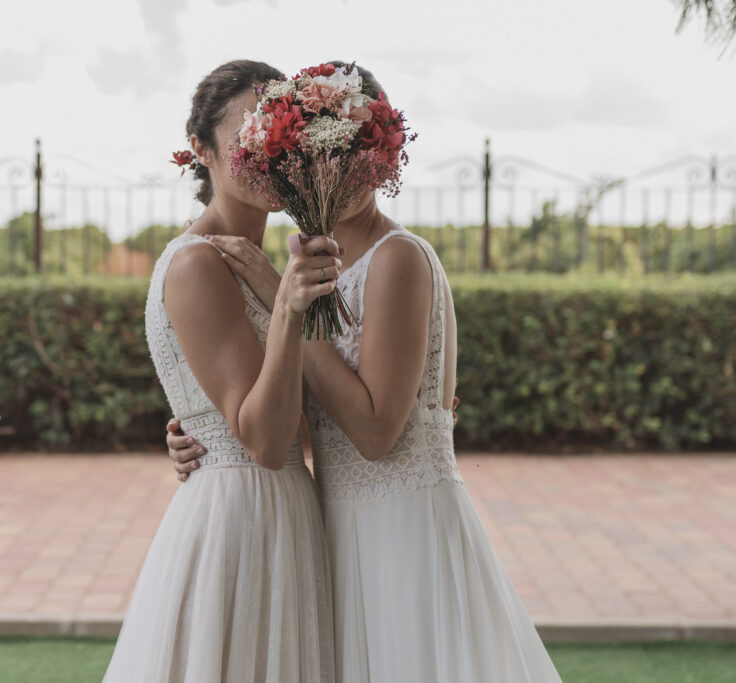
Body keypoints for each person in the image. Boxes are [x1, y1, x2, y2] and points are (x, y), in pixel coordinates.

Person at [167, 63, 563, 683]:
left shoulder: (397, 256)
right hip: (332, 528)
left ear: (382, 159)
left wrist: (280, 300)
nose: (338, 170)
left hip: (401, 530)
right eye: (320, 152)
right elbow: (277, 403)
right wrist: (200, 429)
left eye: (356, 152)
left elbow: (377, 434)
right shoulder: (315, 264)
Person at [102, 60, 338, 682]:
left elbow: (301, 419)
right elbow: (262, 441)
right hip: (242, 521)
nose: (266, 154)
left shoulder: (264, 262)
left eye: (278, 138)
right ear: (202, 151)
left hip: (290, 512)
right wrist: (286, 306)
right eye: (245, 140)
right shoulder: (196, 265)